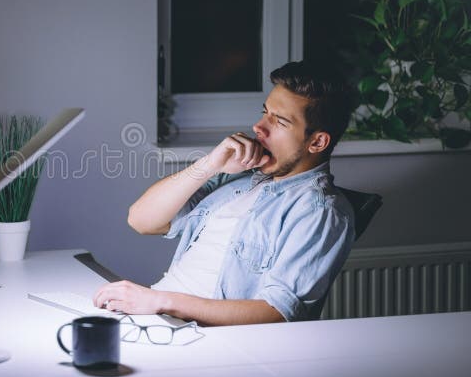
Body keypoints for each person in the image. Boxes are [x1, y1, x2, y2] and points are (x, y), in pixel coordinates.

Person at [94, 61, 357, 325]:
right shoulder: (240, 177)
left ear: (317, 142)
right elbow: (140, 220)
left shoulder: (320, 210)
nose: (258, 127)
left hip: (199, 335)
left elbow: (277, 312)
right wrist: (209, 164)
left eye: (279, 122)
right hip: (155, 316)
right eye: (265, 112)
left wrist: (162, 301)